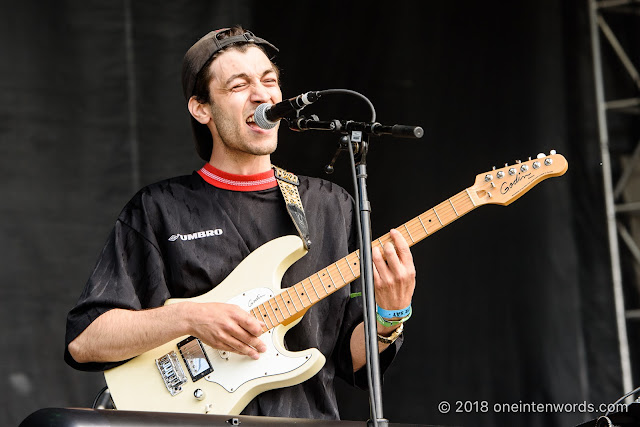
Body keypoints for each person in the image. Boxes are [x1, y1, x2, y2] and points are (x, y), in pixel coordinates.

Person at [64, 26, 416, 420]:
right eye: (238, 85)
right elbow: (86, 340)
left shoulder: (331, 206)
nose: (262, 94)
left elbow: (353, 363)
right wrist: (190, 318)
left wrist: (390, 317)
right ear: (201, 108)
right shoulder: (158, 208)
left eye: (269, 81)